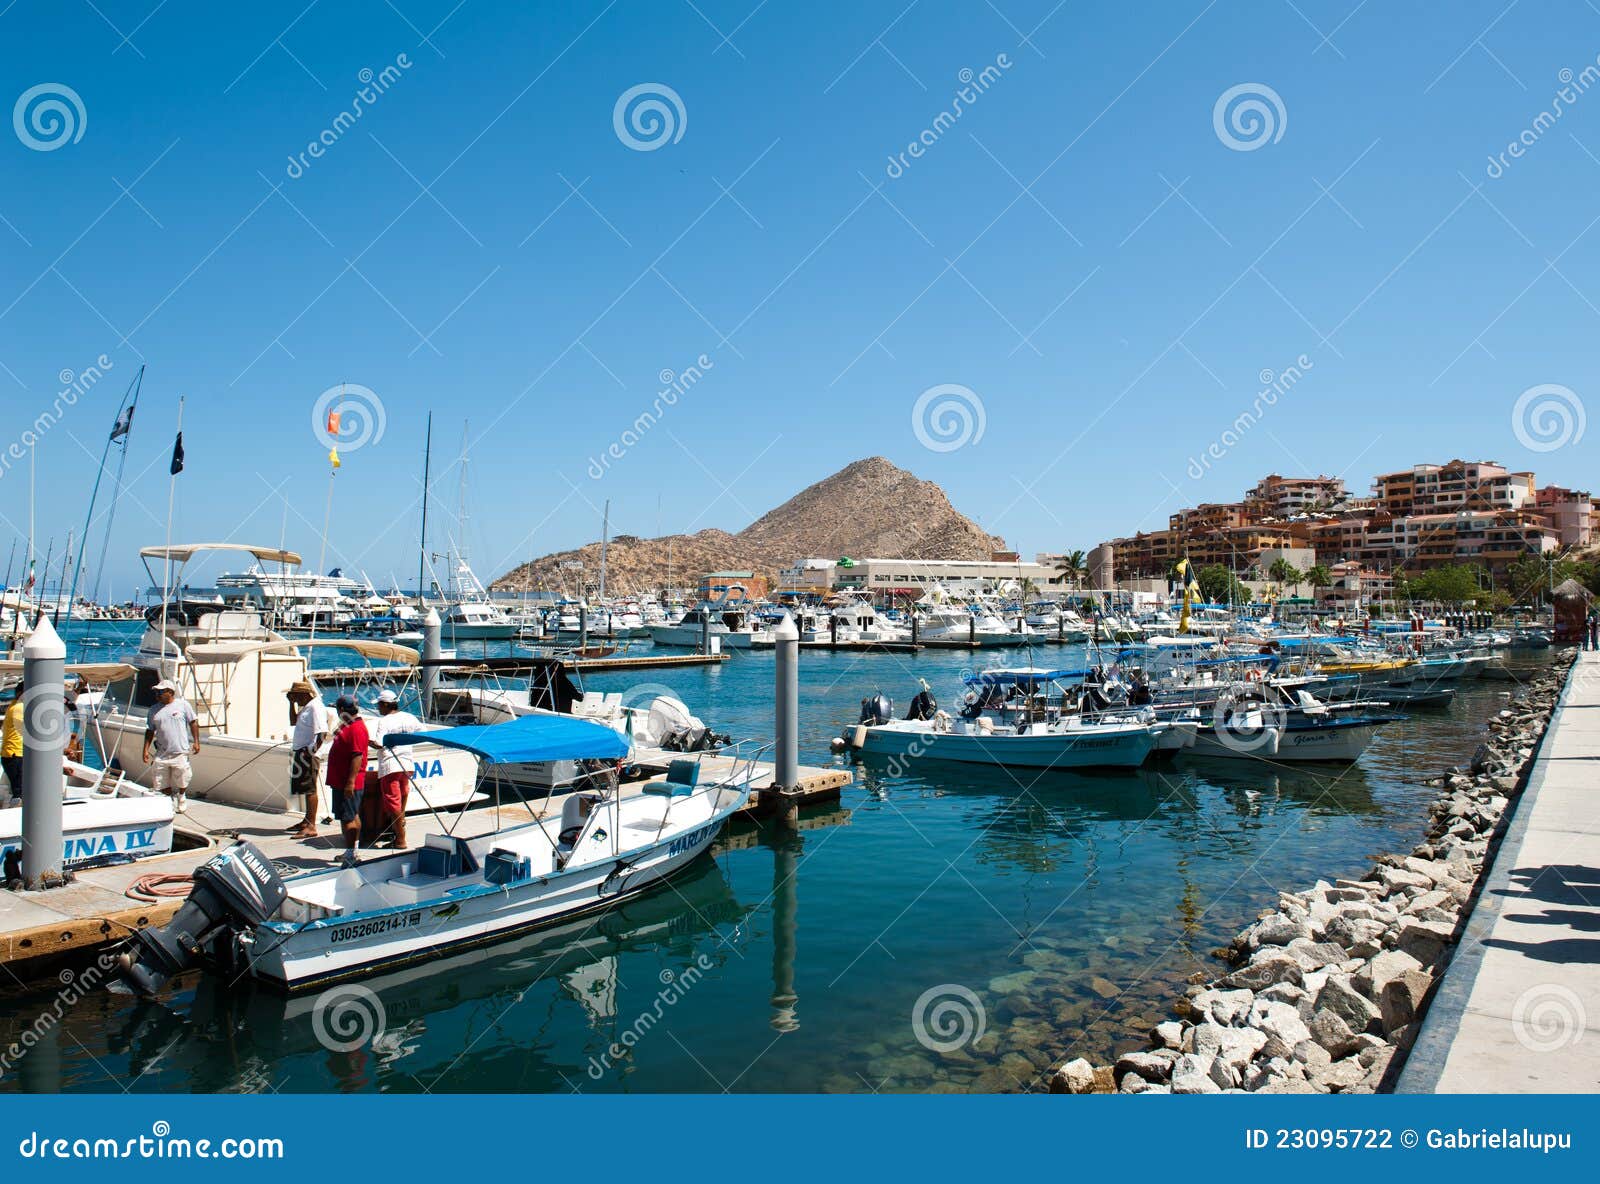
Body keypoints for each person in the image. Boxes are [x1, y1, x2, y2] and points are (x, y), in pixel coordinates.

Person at [368, 688, 422, 849]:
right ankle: (398, 831)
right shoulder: (409, 717)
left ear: (385, 704)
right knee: (401, 801)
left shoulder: (384, 721)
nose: (378, 708)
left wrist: (367, 741)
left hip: (390, 765)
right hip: (407, 764)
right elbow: (421, 733)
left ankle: (400, 839)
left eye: (379, 705)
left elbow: (379, 744)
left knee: (393, 804)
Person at [325, 696, 369, 865]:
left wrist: (350, 782)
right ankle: (352, 851)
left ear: (341, 710)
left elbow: (357, 756)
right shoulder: (350, 726)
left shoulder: (355, 728)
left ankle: (351, 855)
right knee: (351, 816)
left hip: (347, 783)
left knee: (348, 819)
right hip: (342, 781)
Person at [142, 679, 199, 812]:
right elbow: (150, 730)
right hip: (162, 752)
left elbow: (193, 722)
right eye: (156, 691)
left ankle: (181, 795)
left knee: (183, 777)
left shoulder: (183, 705)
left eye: (160, 691)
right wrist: (145, 750)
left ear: (170, 692)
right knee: (160, 780)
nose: (157, 694)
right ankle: (169, 801)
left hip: (180, 751)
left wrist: (196, 742)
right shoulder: (153, 710)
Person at [286, 681, 327, 839]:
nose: (296, 700)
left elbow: (322, 732)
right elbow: (293, 722)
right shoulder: (307, 707)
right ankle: (306, 820)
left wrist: (311, 751)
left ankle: (311, 825)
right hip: (302, 752)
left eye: (296, 697)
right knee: (304, 787)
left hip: (307, 754)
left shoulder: (315, 707)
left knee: (310, 789)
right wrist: (291, 704)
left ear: (304, 694)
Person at [2, 681, 25, 802]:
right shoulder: (20, 707)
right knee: (20, 792)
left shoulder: (13, 705)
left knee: (19, 790)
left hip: (10, 754)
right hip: (15, 754)